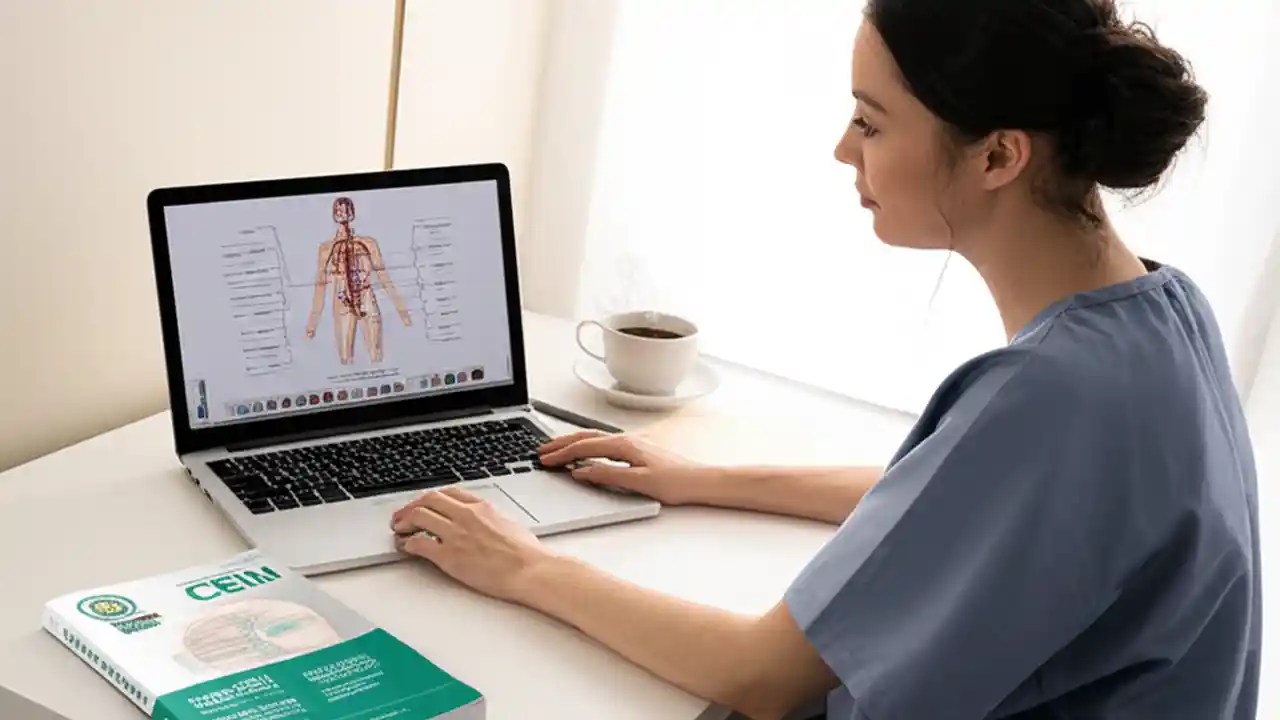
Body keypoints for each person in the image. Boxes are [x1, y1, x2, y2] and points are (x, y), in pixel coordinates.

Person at [389, 0, 1261, 717]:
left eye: (870, 121)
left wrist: (525, 565)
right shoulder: (1162, 309)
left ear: (998, 155)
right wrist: (706, 480)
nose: (845, 149)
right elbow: (959, 496)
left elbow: (761, 675)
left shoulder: (1051, 396)